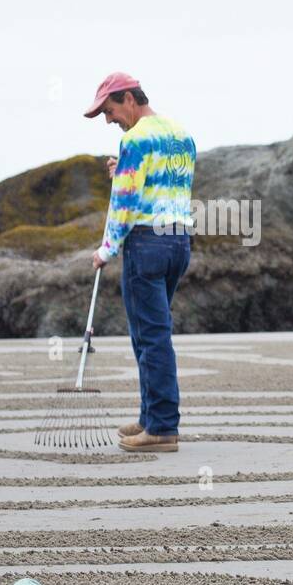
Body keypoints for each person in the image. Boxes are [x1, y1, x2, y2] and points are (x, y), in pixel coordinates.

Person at [84, 71, 196, 453]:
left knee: (151, 336)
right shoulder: (181, 133)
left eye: (110, 110)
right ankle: (150, 416)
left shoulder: (134, 138)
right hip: (178, 240)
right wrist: (124, 173)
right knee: (151, 332)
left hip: (146, 243)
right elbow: (166, 185)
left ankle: (163, 427)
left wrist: (106, 249)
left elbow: (126, 204)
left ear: (129, 98)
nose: (108, 119)